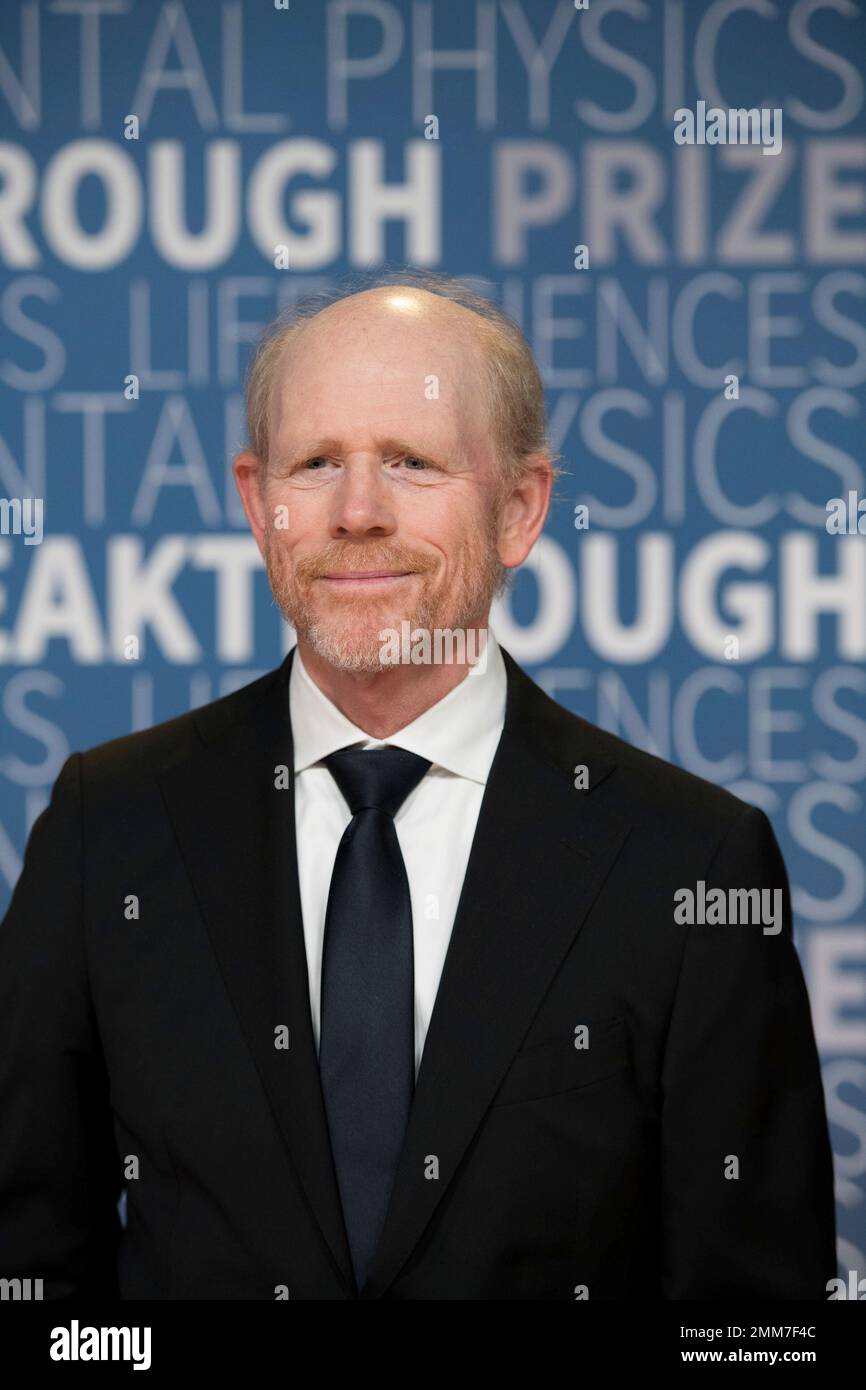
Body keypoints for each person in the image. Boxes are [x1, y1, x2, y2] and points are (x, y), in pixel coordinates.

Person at [0, 270, 836, 1300]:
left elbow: (753, 1321)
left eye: (410, 460)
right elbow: (27, 1267)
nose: (358, 511)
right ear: (258, 507)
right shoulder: (110, 824)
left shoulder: (690, 860)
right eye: (314, 464)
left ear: (518, 509)